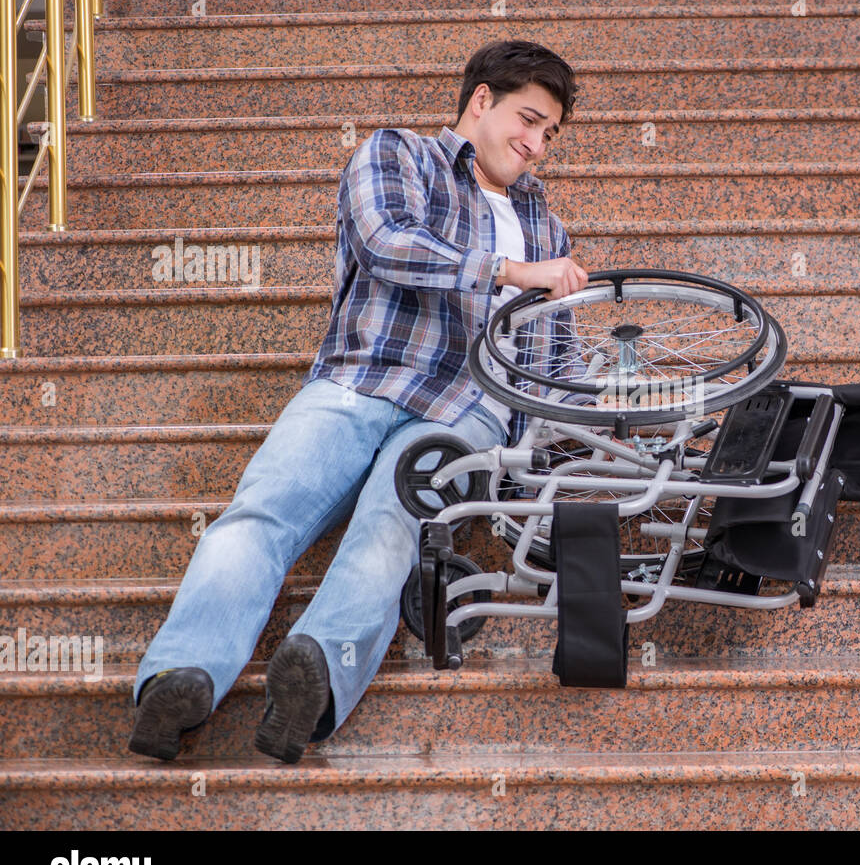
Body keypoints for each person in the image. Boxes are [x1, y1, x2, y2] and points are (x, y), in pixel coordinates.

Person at [128, 39, 589, 764]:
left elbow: (552, 359)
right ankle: (179, 676)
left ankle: (312, 673)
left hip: (464, 409)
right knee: (262, 511)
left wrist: (592, 418)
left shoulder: (548, 228)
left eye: (549, 135)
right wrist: (511, 271)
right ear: (480, 100)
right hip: (360, 379)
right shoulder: (397, 154)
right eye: (528, 120)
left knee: (388, 528)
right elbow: (386, 243)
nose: (536, 144)